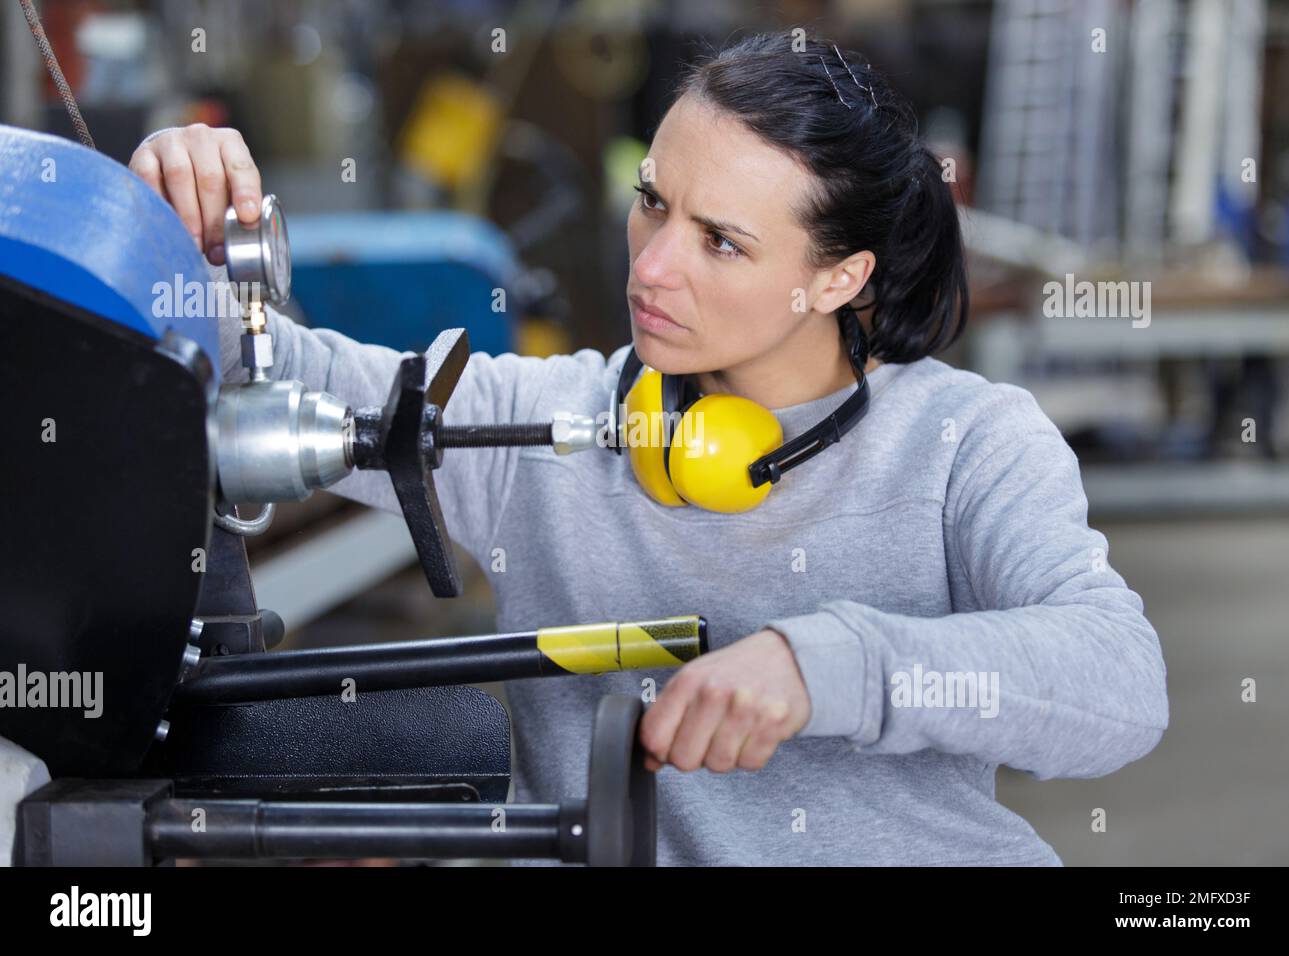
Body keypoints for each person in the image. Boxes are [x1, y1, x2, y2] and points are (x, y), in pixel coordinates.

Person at [131, 32, 1168, 866]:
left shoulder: (963, 443)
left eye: (721, 240)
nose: (654, 268)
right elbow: (243, 366)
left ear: (840, 279)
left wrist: (828, 664)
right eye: (651, 203)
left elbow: (1118, 685)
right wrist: (162, 220)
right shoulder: (538, 426)